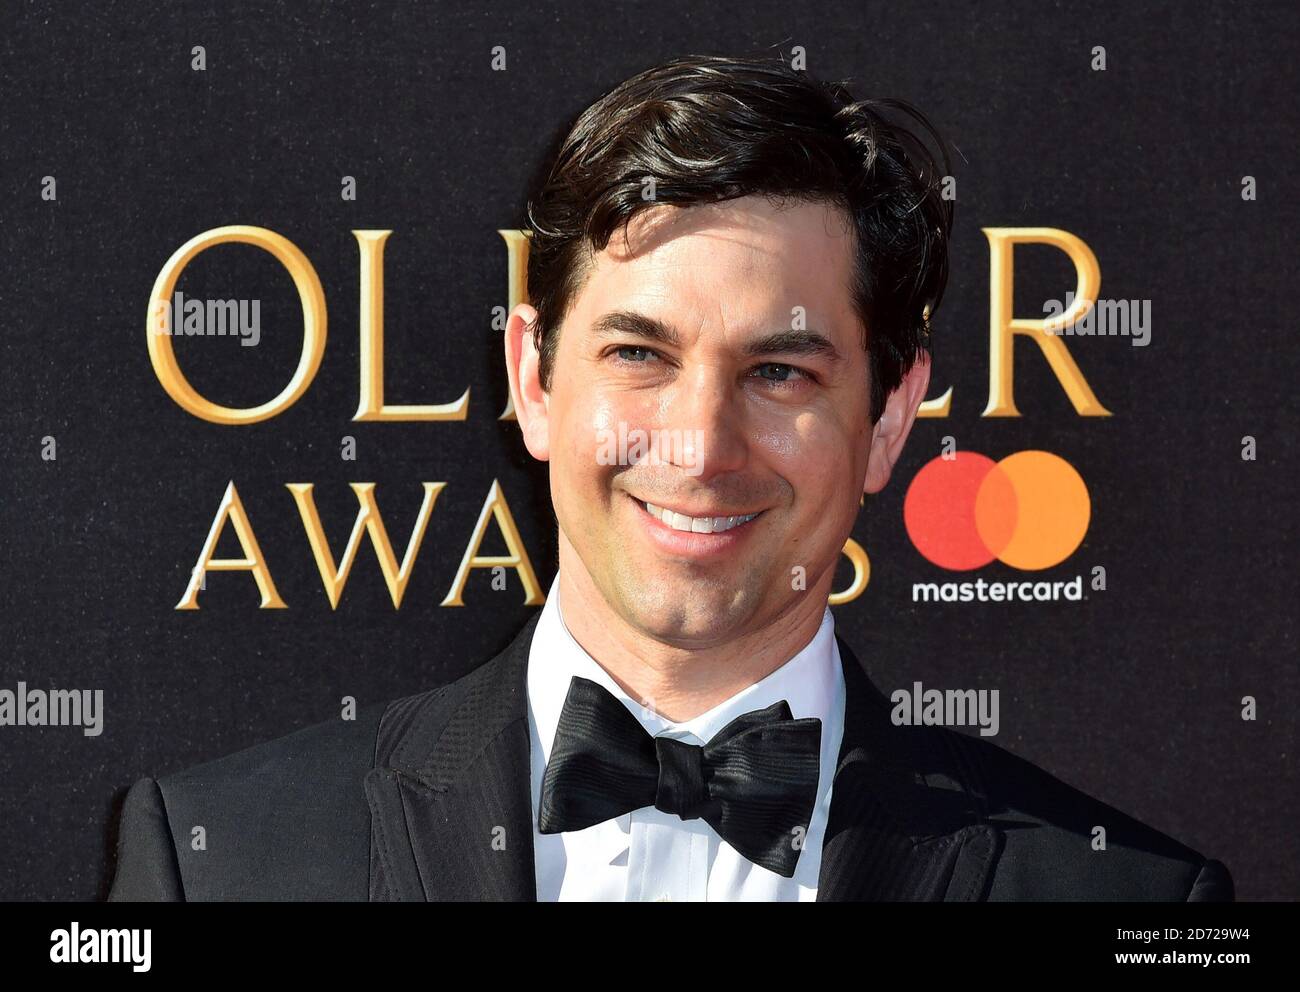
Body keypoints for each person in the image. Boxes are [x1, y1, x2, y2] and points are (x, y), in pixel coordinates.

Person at [107, 53, 1232, 902]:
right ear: (532, 378)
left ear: (889, 417)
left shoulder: (1129, 897)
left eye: (780, 370)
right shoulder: (220, 860)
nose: (700, 447)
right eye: (638, 354)